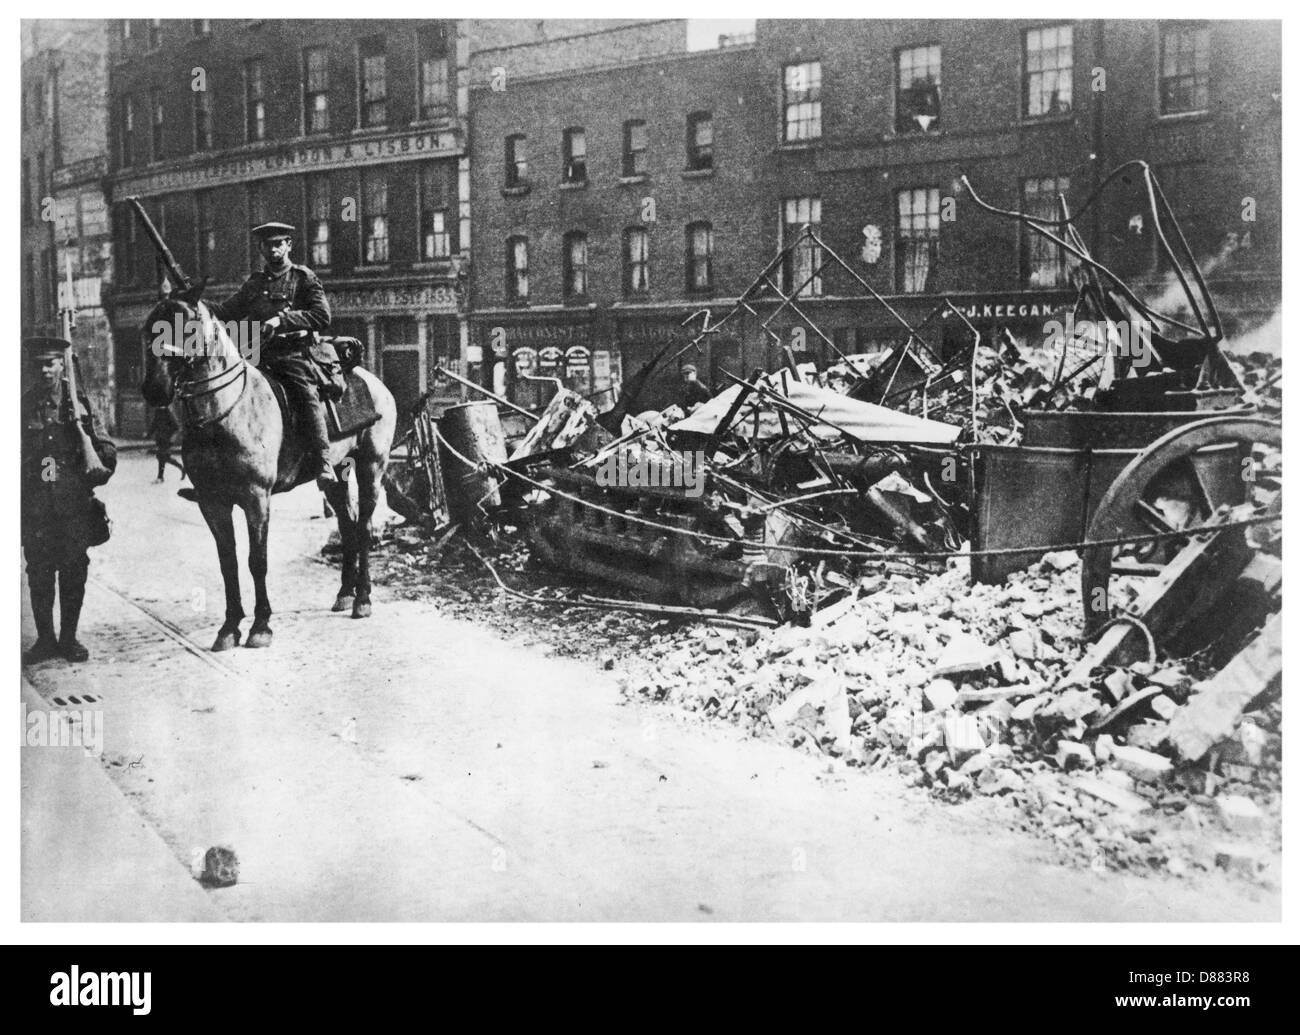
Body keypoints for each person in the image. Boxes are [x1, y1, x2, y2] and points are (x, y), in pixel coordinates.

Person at [211, 221, 336, 487]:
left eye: (279, 243)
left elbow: (322, 315)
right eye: (268, 245)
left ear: (289, 245)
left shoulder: (303, 278)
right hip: (259, 356)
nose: (273, 249)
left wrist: (281, 320)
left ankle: (323, 460)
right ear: (261, 248)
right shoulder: (255, 284)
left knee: (304, 394)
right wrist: (195, 302)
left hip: (294, 354)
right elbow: (226, 311)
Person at [22, 338, 117, 664]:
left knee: (74, 572)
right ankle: (45, 641)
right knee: (39, 574)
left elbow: (107, 457)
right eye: (38, 364)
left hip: (73, 508)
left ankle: (69, 638)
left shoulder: (80, 405)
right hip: (35, 509)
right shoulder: (22, 404)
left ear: (62, 364)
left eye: (50, 362)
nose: (44, 369)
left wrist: (83, 431)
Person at [149, 404, 185, 483]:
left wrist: (171, 437)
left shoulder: (168, 412)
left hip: (167, 439)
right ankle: (181, 468)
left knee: (161, 456)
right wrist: (149, 434)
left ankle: (160, 477)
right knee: (163, 457)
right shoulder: (158, 412)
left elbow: (176, 426)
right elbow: (154, 424)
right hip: (160, 438)